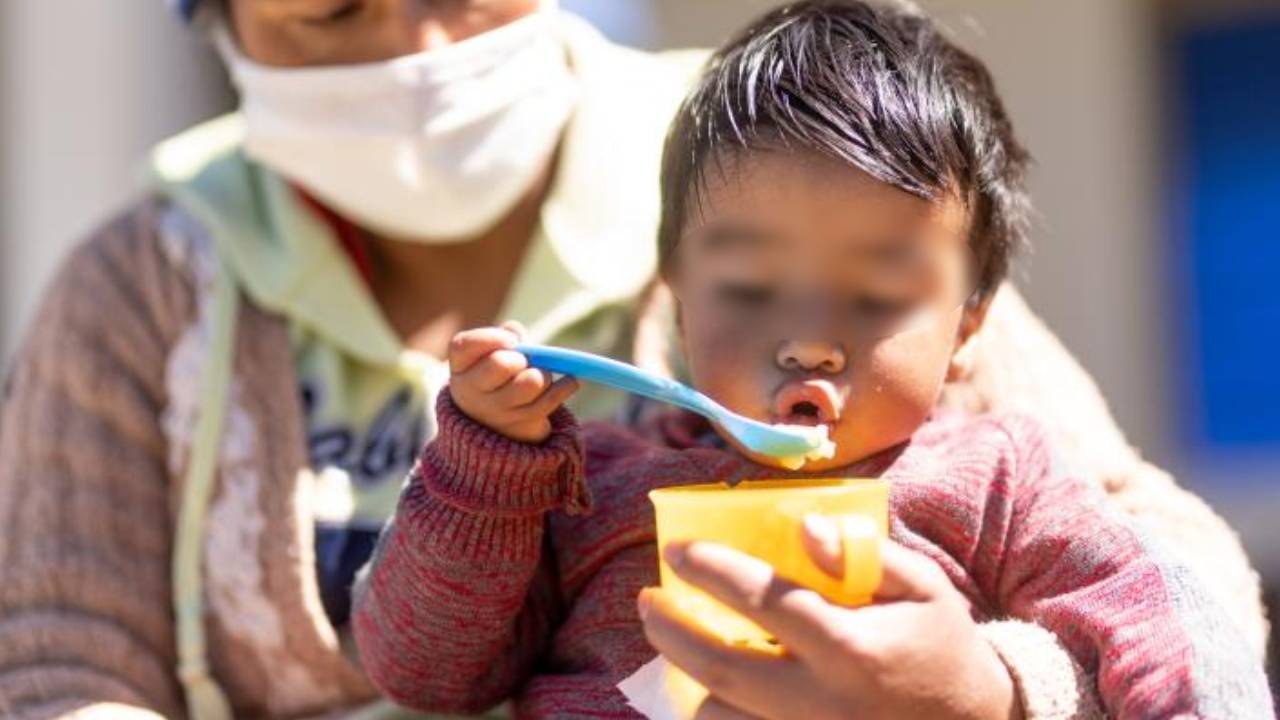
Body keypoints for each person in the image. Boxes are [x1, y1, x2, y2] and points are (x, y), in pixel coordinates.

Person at [0, 0, 1266, 719]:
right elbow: (421, 662)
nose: (423, 50)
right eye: (330, 5)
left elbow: (1162, 589)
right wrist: (486, 471)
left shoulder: (794, 156)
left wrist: (992, 695)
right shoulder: (595, 476)